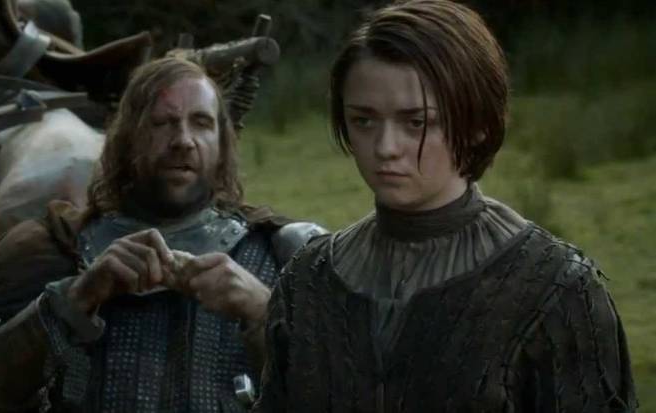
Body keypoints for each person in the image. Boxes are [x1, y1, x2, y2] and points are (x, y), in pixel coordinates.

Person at [254, 1, 637, 412]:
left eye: (416, 122)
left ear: (477, 125)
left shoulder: (555, 290)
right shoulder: (308, 283)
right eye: (364, 120)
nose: (385, 147)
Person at [0, 57, 325, 413]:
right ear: (127, 140)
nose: (183, 140)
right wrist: (75, 299)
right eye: (163, 122)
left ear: (223, 144)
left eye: (201, 123)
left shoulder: (282, 252)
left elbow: (345, 390)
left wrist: (265, 313)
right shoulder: (46, 250)